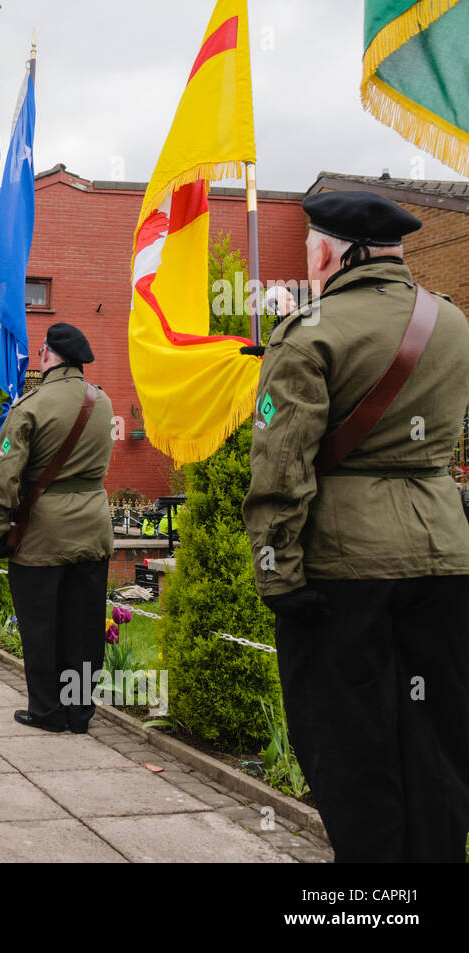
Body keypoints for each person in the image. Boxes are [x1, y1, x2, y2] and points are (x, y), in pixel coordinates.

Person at [244, 190, 469, 863]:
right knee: (439, 748)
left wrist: (275, 572)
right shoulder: (455, 325)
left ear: (328, 252)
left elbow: (280, 466)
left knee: (352, 754)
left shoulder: (307, 332)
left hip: (344, 571)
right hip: (446, 558)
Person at [0, 323, 114, 733]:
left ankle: (47, 712)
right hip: (93, 528)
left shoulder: (30, 406)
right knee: (86, 627)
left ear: (45, 355)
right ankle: (80, 713)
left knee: (42, 627)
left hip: (42, 533)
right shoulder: (104, 402)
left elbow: (6, 476)